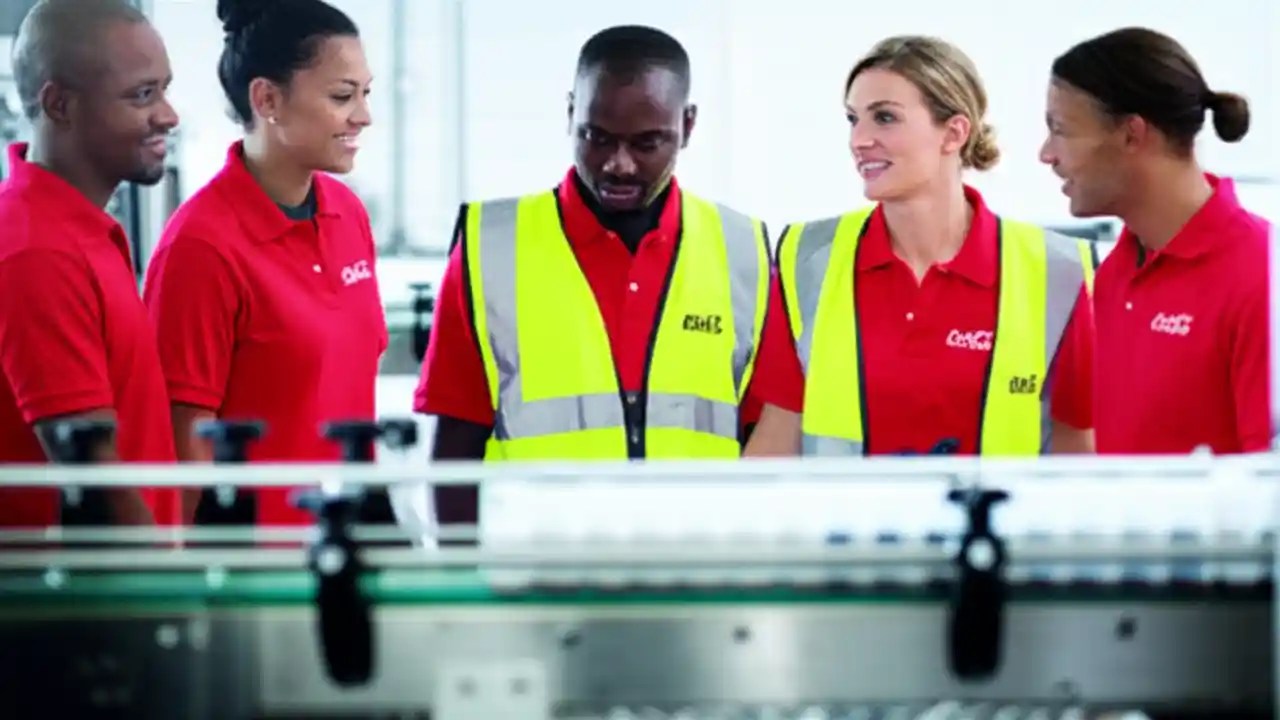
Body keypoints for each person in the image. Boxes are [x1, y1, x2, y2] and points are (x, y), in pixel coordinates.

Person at [414, 25, 771, 530]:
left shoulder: (744, 250)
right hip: (536, 570)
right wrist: (462, 581)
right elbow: (456, 440)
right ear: (569, 114)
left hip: (696, 566)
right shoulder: (488, 245)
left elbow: (769, 440)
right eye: (595, 137)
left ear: (687, 126)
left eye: (648, 143)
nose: (618, 165)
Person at [744, 36, 1096, 458]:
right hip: (847, 524)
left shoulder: (1057, 269)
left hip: (988, 525)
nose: (859, 139)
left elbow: (1077, 449)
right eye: (853, 119)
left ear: (954, 132)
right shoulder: (808, 257)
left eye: (885, 118)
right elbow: (778, 432)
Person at [143, 0, 386, 525]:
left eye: (366, 94)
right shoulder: (201, 246)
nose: (363, 115)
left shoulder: (348, 213)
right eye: (343, 96)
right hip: (257, 565)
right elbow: (182, 450)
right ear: (267, 98)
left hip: (349, 538)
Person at [1041, 27, 1272, 454]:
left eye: (1060, 130)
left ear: (1132, 134)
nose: (1046, 153)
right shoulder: (1115, 273)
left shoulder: (1262, 274)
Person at [0, 0, 179, 526]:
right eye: (142, 95)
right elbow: (97, 482)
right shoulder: (37, 251)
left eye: (164, 88)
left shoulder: (83, 231)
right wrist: (175, 597)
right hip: (89, 601)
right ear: (59, 105)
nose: (168, 114)